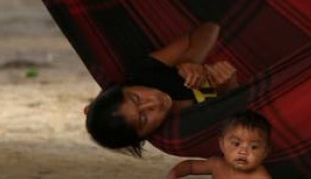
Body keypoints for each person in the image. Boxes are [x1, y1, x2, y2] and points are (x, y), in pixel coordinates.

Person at [85, 21, 238, 155]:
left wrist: (190, 60)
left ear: (126, 86)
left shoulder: (147, 75)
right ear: (143, 137)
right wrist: (227, 87)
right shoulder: (179, 134)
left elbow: (210, 28)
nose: (153, 103)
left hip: (241, 49)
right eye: (143, 118)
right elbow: (241, 127)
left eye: (136, 98)